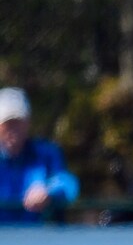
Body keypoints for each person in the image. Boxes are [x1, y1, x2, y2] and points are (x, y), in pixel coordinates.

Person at [0, 87, 79, 224]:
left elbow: (68, 185)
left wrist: (47, 191)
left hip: (39, 239)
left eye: (18, 123)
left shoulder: (46, 154)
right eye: (7, 124)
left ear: (28, 123)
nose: (13, 130)